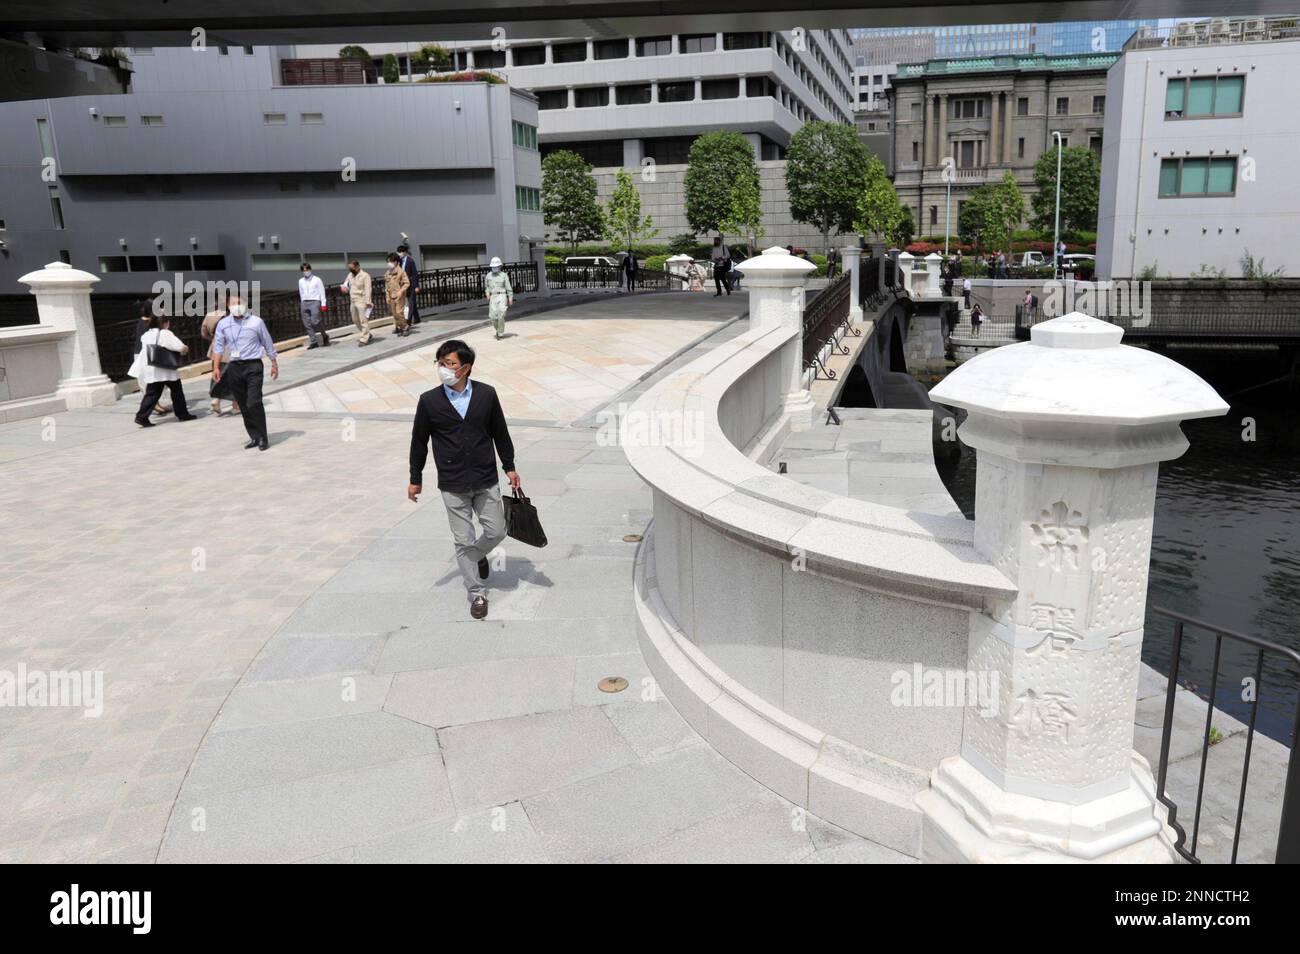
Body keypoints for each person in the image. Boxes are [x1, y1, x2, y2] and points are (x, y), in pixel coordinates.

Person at [408, 339, 520, 621]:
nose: (443, 368)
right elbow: (419, 441)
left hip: (485, 476)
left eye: (449, 363)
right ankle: (477, 593)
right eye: (440, 363)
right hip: (452, 481)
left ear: (465, 368)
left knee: (497, 531)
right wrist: (415, 477)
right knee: (462, 540)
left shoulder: (486, 395)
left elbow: (500, 432)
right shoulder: (430, 401)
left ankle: (477, 555)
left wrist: (509, 466)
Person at [211, 294, 278, 451]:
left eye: (239, 303)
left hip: (253, 366)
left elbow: (267, 342)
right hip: (234, 367)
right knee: (243, 404)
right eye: (233, 303)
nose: (236, 305)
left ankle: (263, 437)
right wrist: (215, 367)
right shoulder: (223, 324)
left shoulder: (256, 322)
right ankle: (254, 436)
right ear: (228, 306)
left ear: (246, 304)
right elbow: (219, 346)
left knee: (253, 402)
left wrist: (274, 363)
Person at [129, 311, 196, 427]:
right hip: (166, 369)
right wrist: (185, 348)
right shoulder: (165, 334)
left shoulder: (146, 335)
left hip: (153, 370)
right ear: (164, 323)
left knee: (151, 394)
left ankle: (141, 416)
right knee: (177, 392)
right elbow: (179, 347)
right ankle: (182, 414)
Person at [133, 300, 173, 417]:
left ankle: (156, 404)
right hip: (143, 354)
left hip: (148, 352)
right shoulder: (147, 322)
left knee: (154, 380)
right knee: (147, 381)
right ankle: (152, 406)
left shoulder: (146, 321)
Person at [202, 300, 239, 416]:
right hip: (231, 349)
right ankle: (235, 406)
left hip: (216, 348)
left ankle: (216, 399)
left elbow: (204, 333)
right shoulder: (234, 315)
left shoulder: (210, 315)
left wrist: (214, 339)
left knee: (217, 374)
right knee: (235, 378)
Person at [341, 260, 375, 347]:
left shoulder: (365, 275)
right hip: (352, 300)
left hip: (361, 300)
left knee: (363, 320)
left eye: (352, 267)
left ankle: (365, 337)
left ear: (357, 266)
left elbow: (368, 289)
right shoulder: (350, 275)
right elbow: (346, 284)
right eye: (349, 268)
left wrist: (368, 301)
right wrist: (344, 288)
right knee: (355, 319)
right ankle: (367, 333)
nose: (350, 269)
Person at [298, 262, 329, 349]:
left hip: (315, 301)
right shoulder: (300, 281)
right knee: (306, 323)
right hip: (304, 302)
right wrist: (302, 302)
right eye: (304, 270)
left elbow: (322, 291)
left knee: (315, 321)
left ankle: (324, 335)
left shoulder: (317, 279)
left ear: (310, 269)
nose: (306, 271)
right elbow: (301, 292)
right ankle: (313, 341)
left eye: (307, 269)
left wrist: (323, 303)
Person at [483, 256, 514, 339]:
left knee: (501, 313)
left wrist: (510, 297)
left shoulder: (504, 275)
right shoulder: (488, 276)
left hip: (502, 295)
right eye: (493, 267)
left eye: (496, 266)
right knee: (492, 317)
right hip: (493, 296)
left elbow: (508, 287)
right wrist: (487, 293)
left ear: (500, 266)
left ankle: (500, 332)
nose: (494, 268)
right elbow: (486, 287)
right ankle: (498, 329)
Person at [384, 254, 411, 337]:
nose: (389, 263)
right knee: (394, 313)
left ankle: (405, 327)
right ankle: (400, 327)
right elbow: (387, 286)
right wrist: (387, 296)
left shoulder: (401, 271)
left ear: (395, 262)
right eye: (388, 262)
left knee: (399, 312)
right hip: (391, 295)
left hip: (399, 295)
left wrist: (401, 291)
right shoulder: (388, 272)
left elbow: (407, 283)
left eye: (390, 261)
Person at [397, 243, 420, 326]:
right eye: (398, 252)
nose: (399, 254)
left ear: (405, 252)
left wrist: (416, 286)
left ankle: (408, 321)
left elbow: (414, 274)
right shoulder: (398, 261)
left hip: (411, 284)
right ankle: (417, 318)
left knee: (411, 302)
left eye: (401, 252)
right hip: (402, 285)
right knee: (410, 303)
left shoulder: (410, 260)